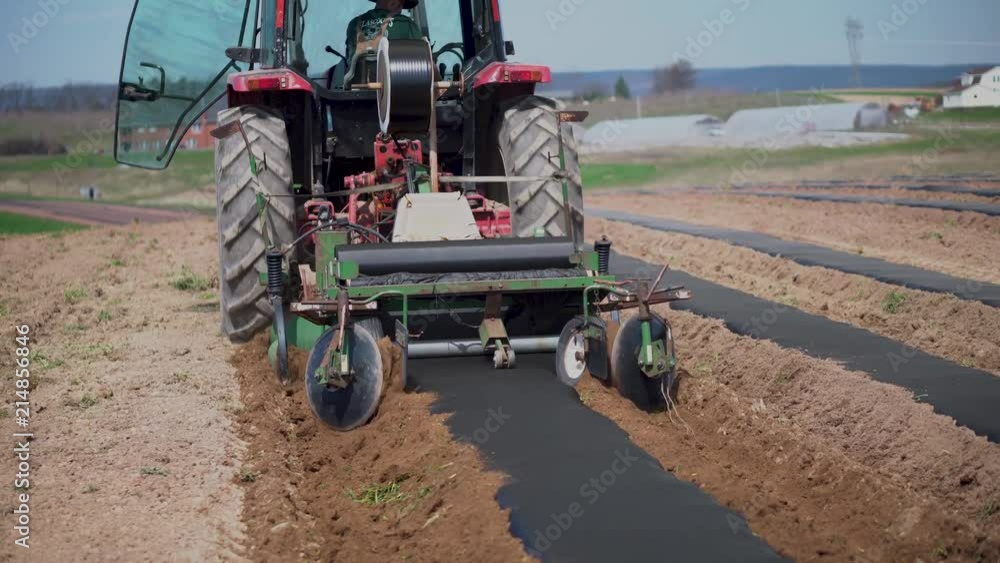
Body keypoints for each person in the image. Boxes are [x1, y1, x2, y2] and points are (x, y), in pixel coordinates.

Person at [345, 0, 423, 64]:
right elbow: (425, 64)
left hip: (357, 79)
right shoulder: (406, 23)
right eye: (402, 3)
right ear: (394, 2)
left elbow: (348, 60)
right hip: (396, 81)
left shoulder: (354, 24)